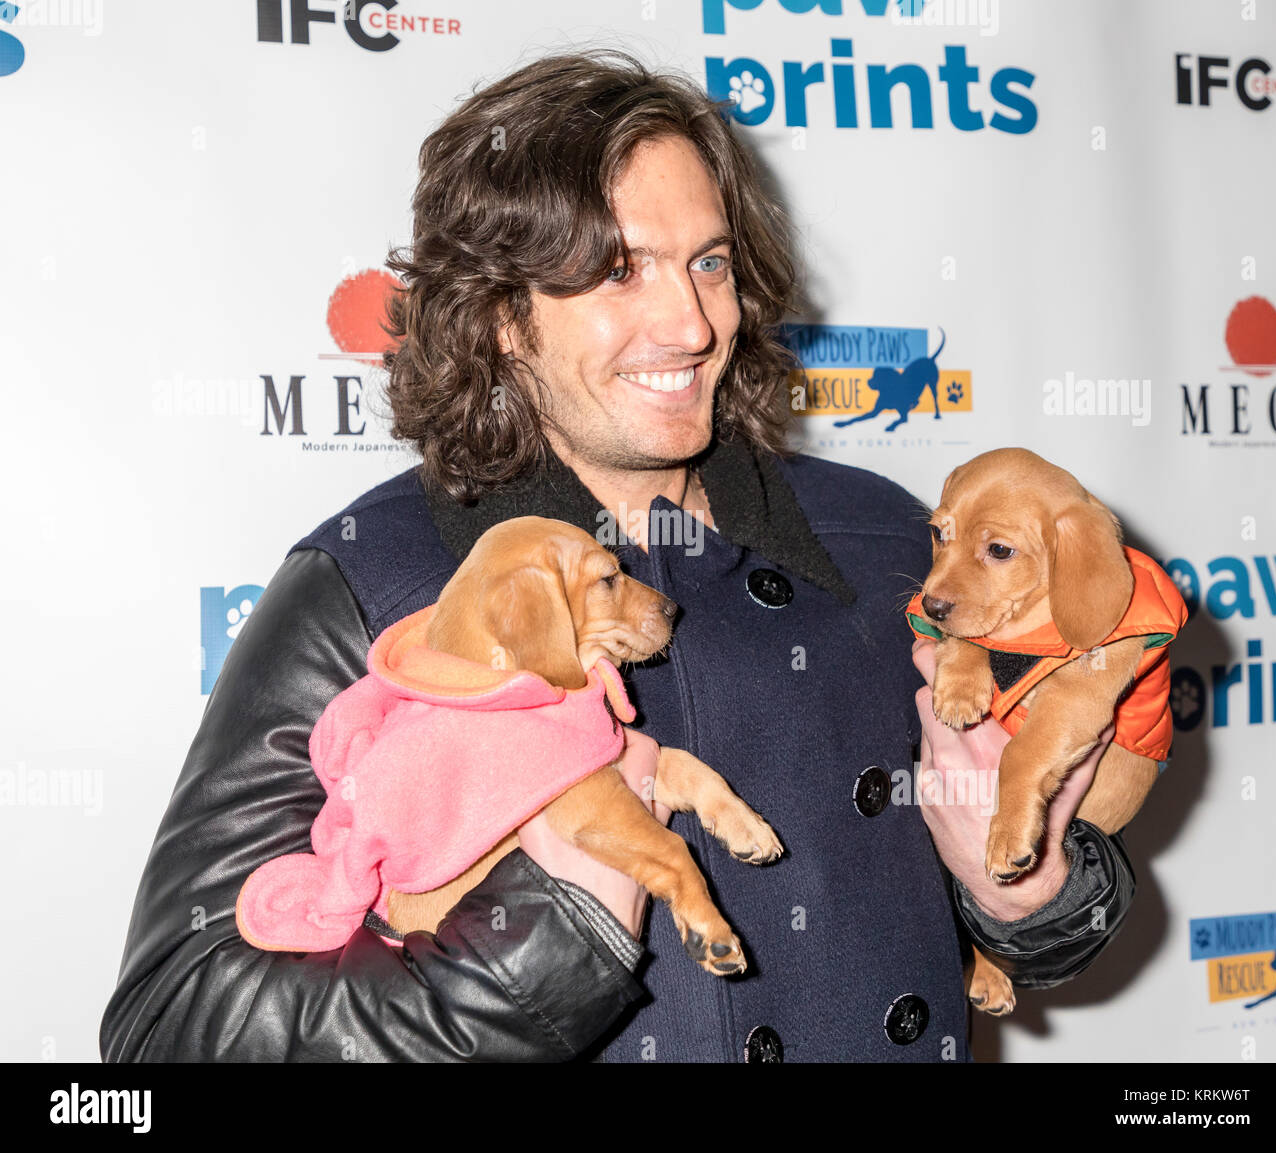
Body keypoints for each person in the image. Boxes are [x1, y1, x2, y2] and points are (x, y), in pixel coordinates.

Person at [100, 49, 1136, 1063]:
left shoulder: (880, 538)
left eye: (709, 263)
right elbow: (174, 1025)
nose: (689, 323)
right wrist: (556, 928)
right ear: (503, 314)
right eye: (616, 269)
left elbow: (1047, 886)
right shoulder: (377, 579)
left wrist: (1030, 891)